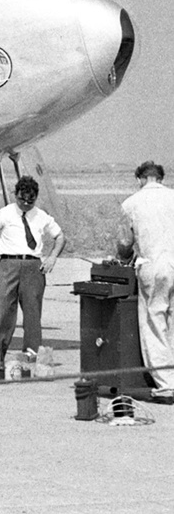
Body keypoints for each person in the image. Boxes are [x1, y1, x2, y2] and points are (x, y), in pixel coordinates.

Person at [0, 175, 65, 368]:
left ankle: (32, 358)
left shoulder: (42, 216)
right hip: (8, 265)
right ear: (15, 195)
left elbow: (60, 236)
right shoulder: (5, 213)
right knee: (0, 313)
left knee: (33, 315)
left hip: (33, 267)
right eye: (22, 199)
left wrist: (52, 257)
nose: (25, 203)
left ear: (35, 197)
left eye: (30, 200)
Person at [115, 161, 174, 402]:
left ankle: (166, 386)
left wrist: (123, 257)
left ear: (140, 179)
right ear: (160, 178)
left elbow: (125, 243)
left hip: (154, 266)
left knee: (154, 323)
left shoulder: (132, 203)